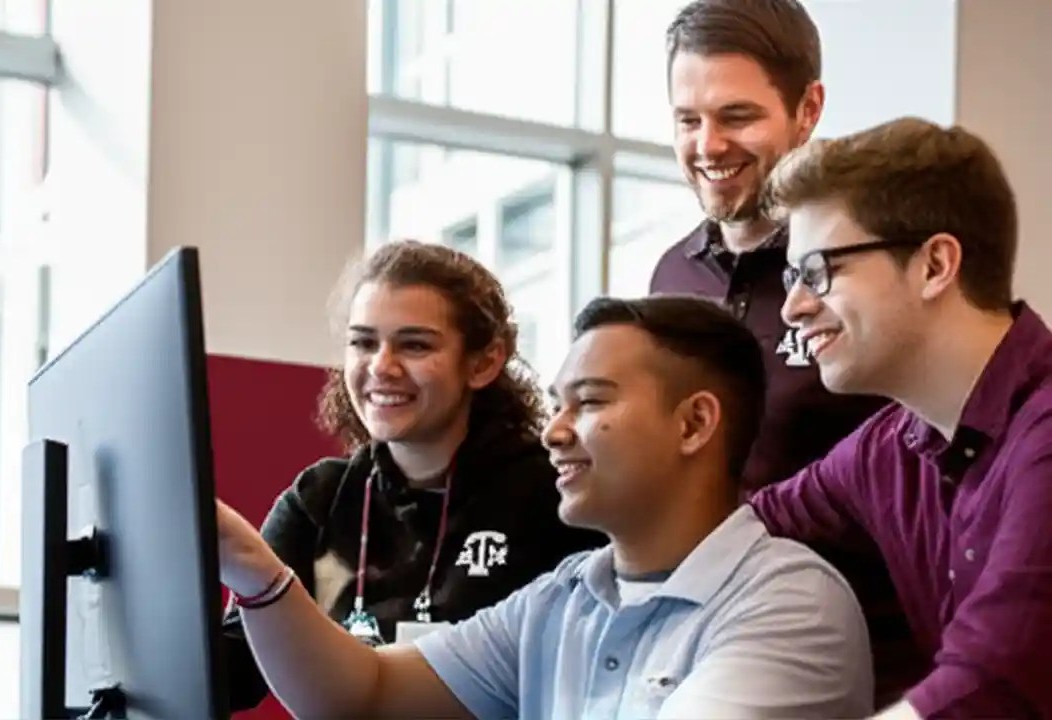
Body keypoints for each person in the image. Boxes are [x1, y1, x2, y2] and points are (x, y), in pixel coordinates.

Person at [217, 295, 873, 719]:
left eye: (589, 402)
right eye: (558, 404)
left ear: (694, 423)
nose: (555, 432)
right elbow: (363, 694)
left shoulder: (788, 602)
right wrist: (251, 567)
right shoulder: (563, 599)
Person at [649, 0, 918, 699]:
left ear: (808, 109)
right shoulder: (669, 276)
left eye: (737, 117)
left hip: (867, 657)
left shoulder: (869, 272)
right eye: (687, 120)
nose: (708, 145)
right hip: (701, 647)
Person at [220, 240, 604, 711]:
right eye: (363, 343)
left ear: (484, 362)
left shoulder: (556, 494)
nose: (382, 366)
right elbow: (234, 669)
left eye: (415, 345)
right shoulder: (321, 498)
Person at [752, 116, 1052, 718]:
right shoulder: (889, 447)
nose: (792, 308)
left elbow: (991, 689)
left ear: (935, 265)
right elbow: (750, 525)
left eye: (818, 272)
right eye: (792, 277)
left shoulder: (1043, 434)